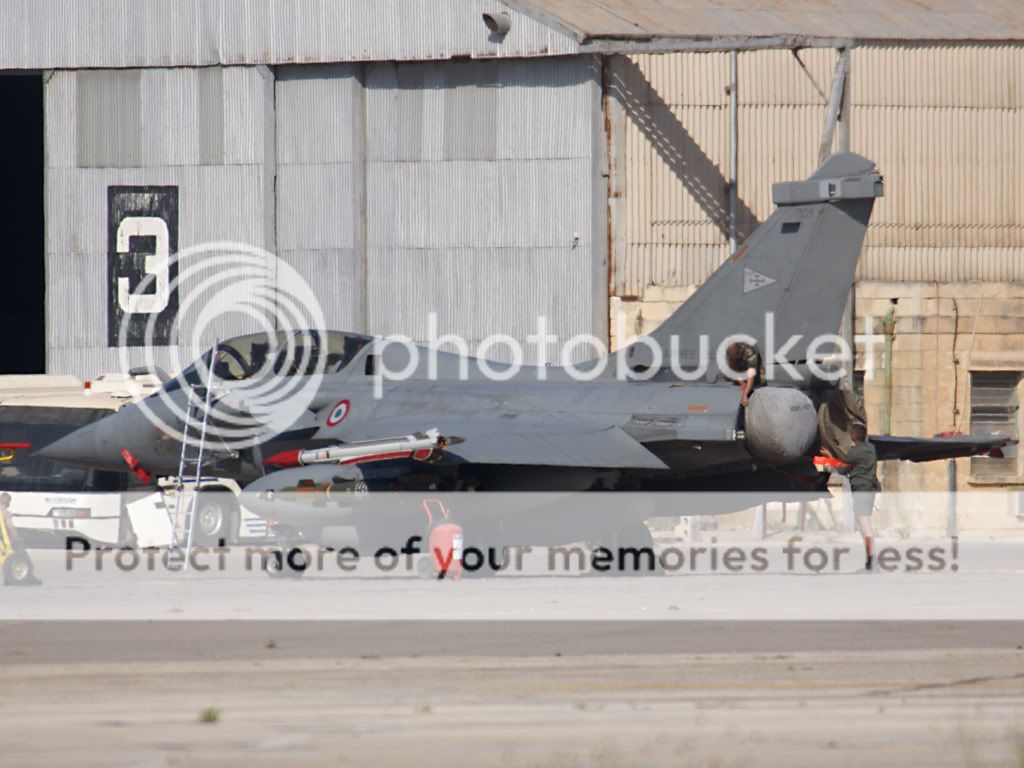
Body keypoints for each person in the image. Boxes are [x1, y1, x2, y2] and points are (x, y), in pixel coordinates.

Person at [824, 423, 880, 571]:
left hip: (861, 489)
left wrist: (830, 458)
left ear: (854, 436)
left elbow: (842, 470)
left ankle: (872, 560)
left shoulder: (854, 452)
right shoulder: (871, 449)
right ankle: (871, 557)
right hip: (870, 488)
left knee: (865, 526)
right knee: (865, 524)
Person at [725, 341, 764, 407]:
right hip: (740, 361)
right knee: (737, 386)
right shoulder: (729, 351)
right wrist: (742, 383)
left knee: (755, 385)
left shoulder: (751, 352)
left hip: (752, 366)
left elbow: (751, 376)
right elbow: (733, 368)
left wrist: (745, 394)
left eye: (737, 357)